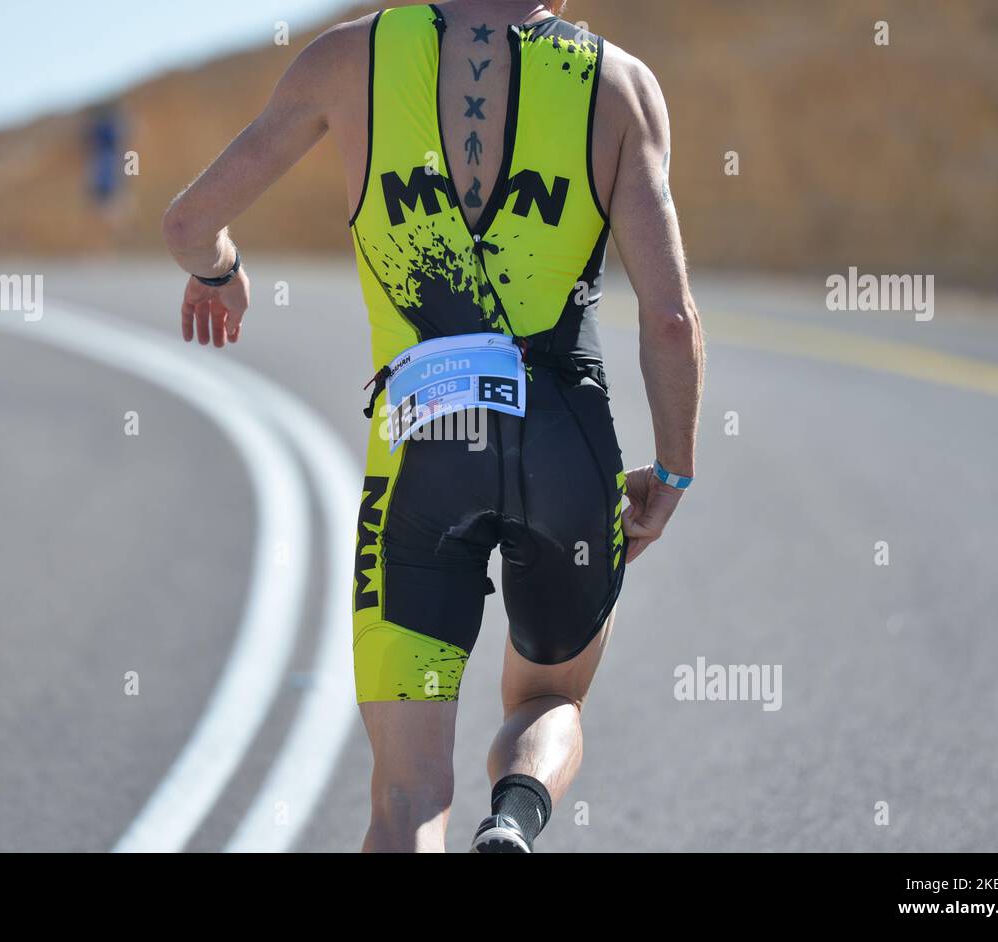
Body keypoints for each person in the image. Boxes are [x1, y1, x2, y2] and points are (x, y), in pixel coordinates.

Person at [161, 0, 704, 853]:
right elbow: (669, 318)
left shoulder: (350, 58)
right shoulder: (619, 85)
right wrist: (671, 474)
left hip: (423, 447)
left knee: (408, 797)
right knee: (548, 700)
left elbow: (189, 223)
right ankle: (516, 821)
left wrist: (220, 272)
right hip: (568, 446)